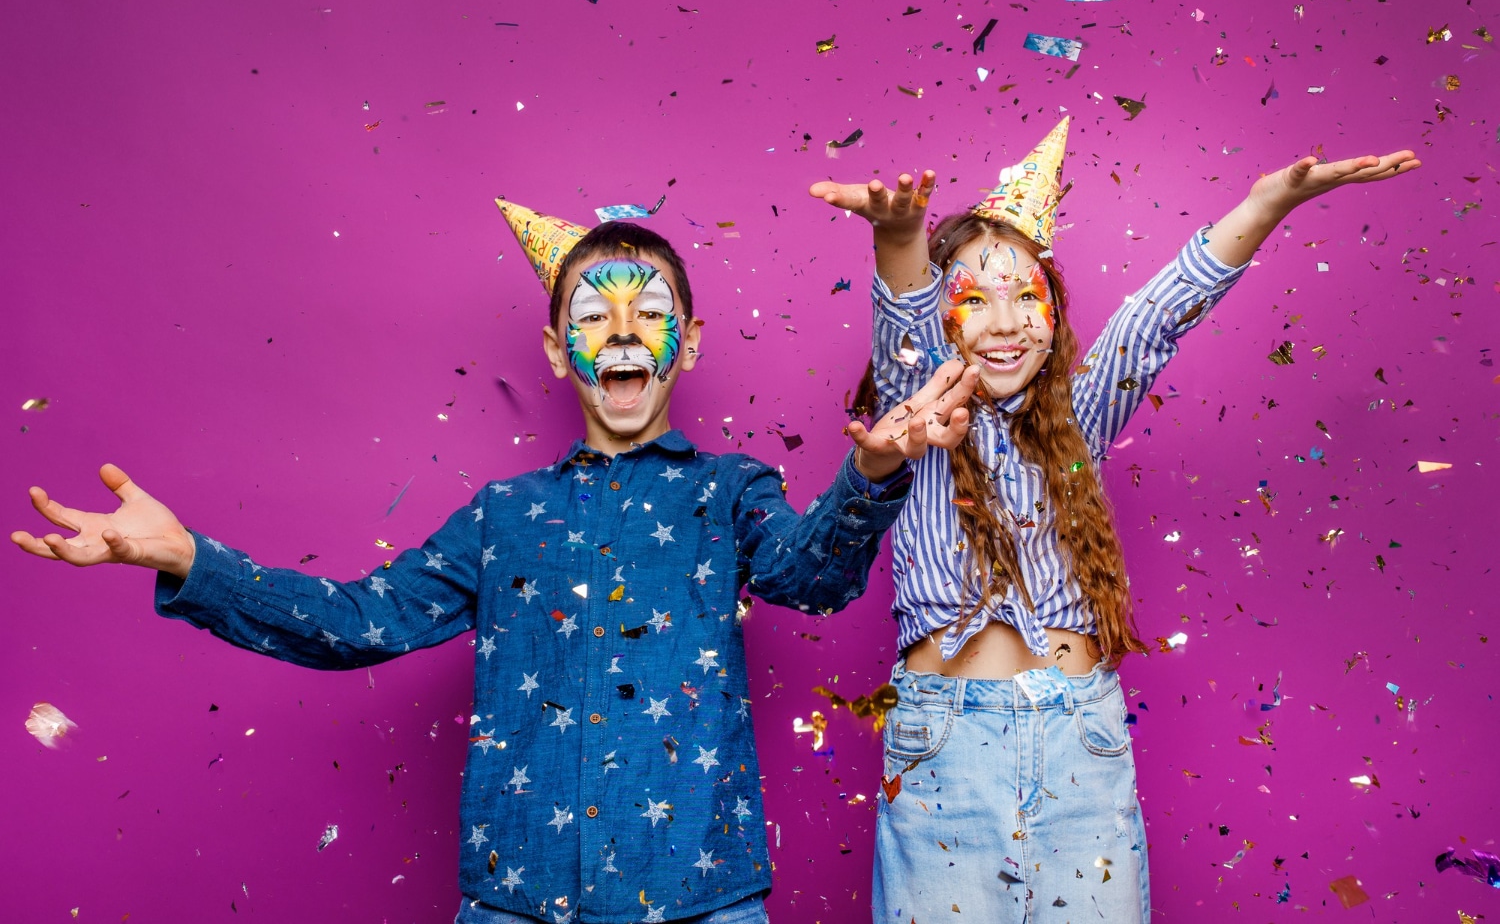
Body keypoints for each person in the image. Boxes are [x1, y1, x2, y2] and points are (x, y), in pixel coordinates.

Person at [12, 209, 981, 924]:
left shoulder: (729, 492)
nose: (625, 334)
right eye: (595, 322)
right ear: (560, 354)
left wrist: (870, 469)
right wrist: (191, 557)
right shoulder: (502, 517)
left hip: (701, 895)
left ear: (689, 343)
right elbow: (357, 621)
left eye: (649, 313)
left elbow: (812, 577)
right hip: (517, 899)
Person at [808, 119, 1419, 922]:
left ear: (1053, 313)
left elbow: (1156, 317)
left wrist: (1268, 203)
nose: (1003, 322)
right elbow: (905, 327)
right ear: (943, 320)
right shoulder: (917, 417)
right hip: (944, 754)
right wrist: (899, 236)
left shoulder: (1081, 416)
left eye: (1026, 296)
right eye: (973, 301)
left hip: (1079, 751)